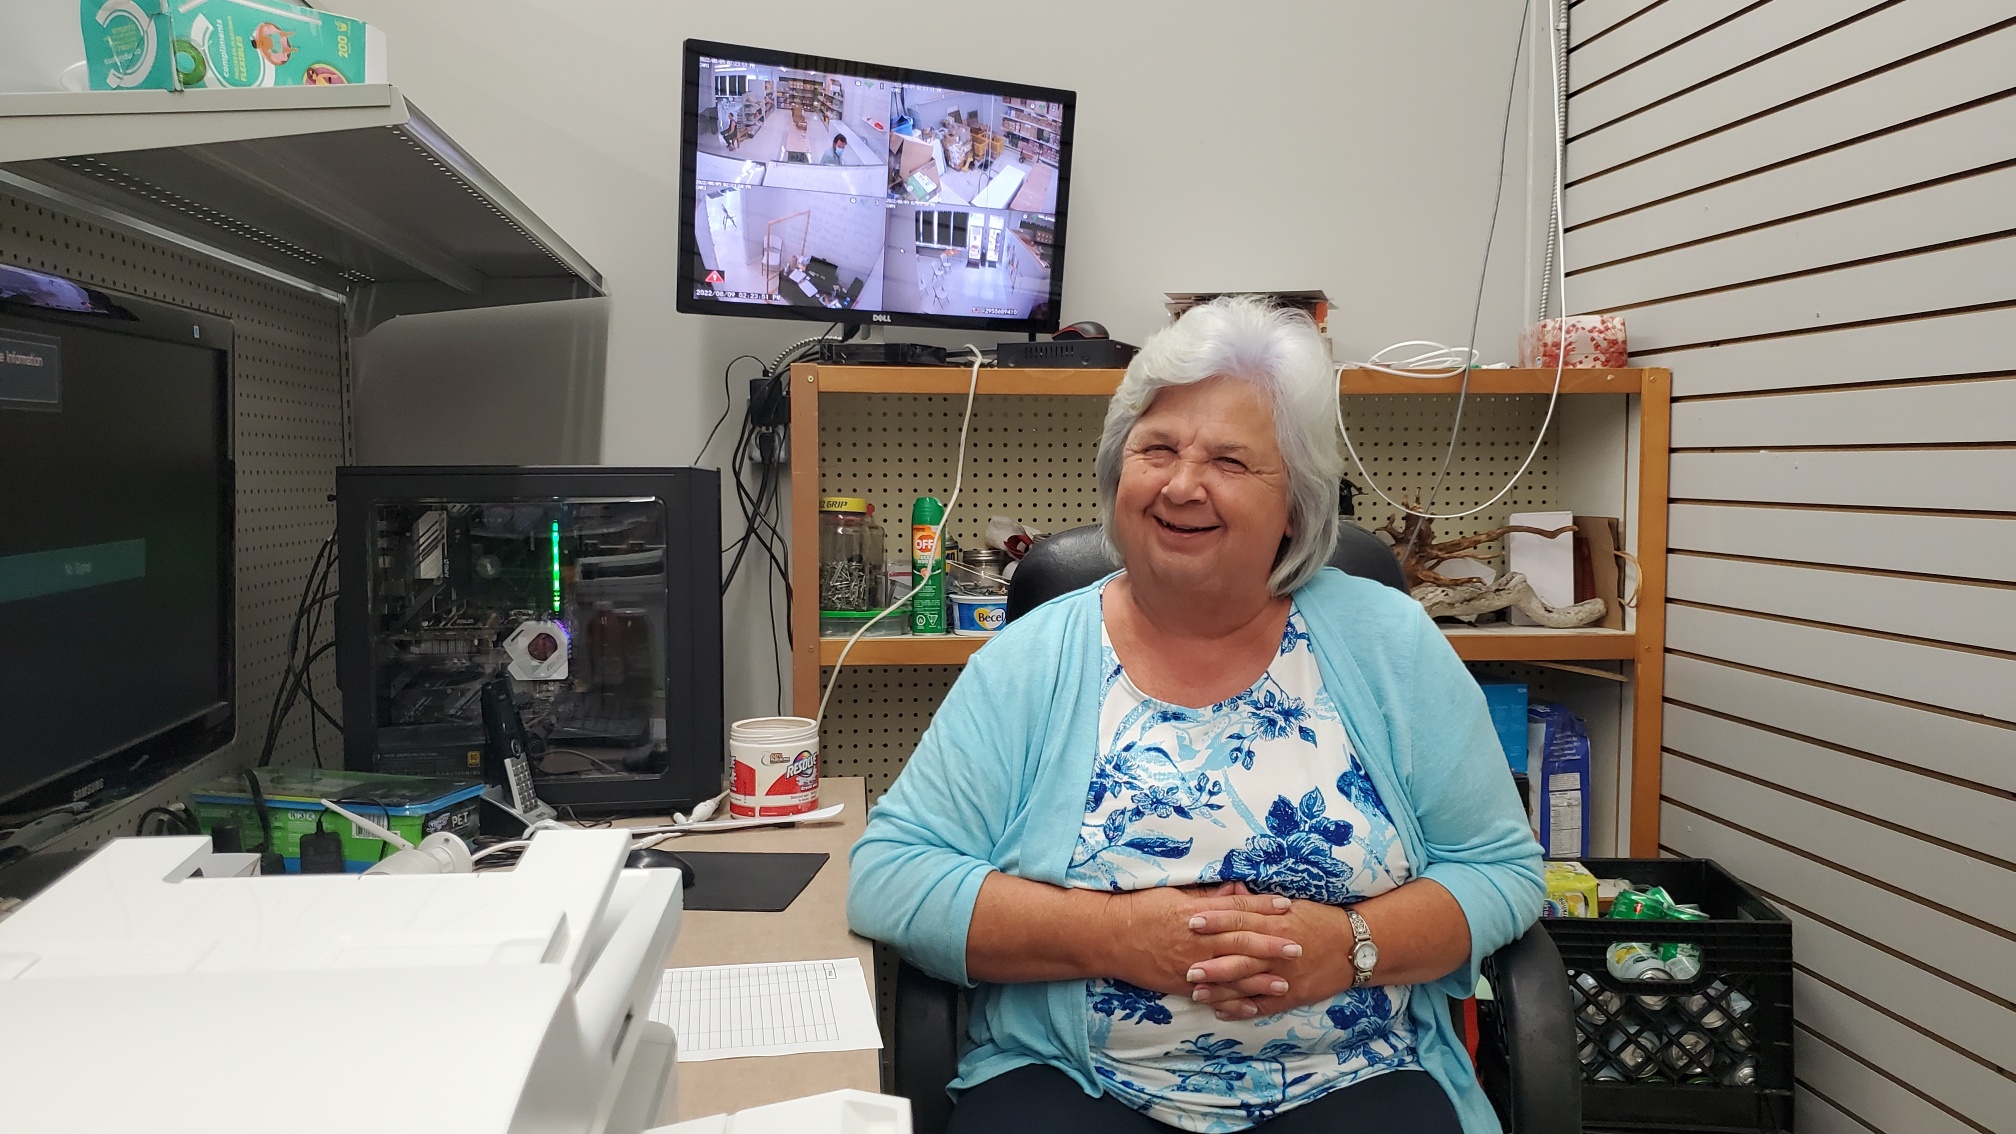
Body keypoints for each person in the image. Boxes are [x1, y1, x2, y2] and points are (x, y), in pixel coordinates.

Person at [849, 296, 1544, 1134]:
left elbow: (1500, 870)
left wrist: (1350, 947)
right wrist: (1114, 935)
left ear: (1296, 506)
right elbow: (892, 876)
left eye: (1229, 461)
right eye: (1158, 450)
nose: (1181, 485)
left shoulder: (1388, 642)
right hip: (1078, 1080)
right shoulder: (1032, 660)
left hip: (1352, 1072)